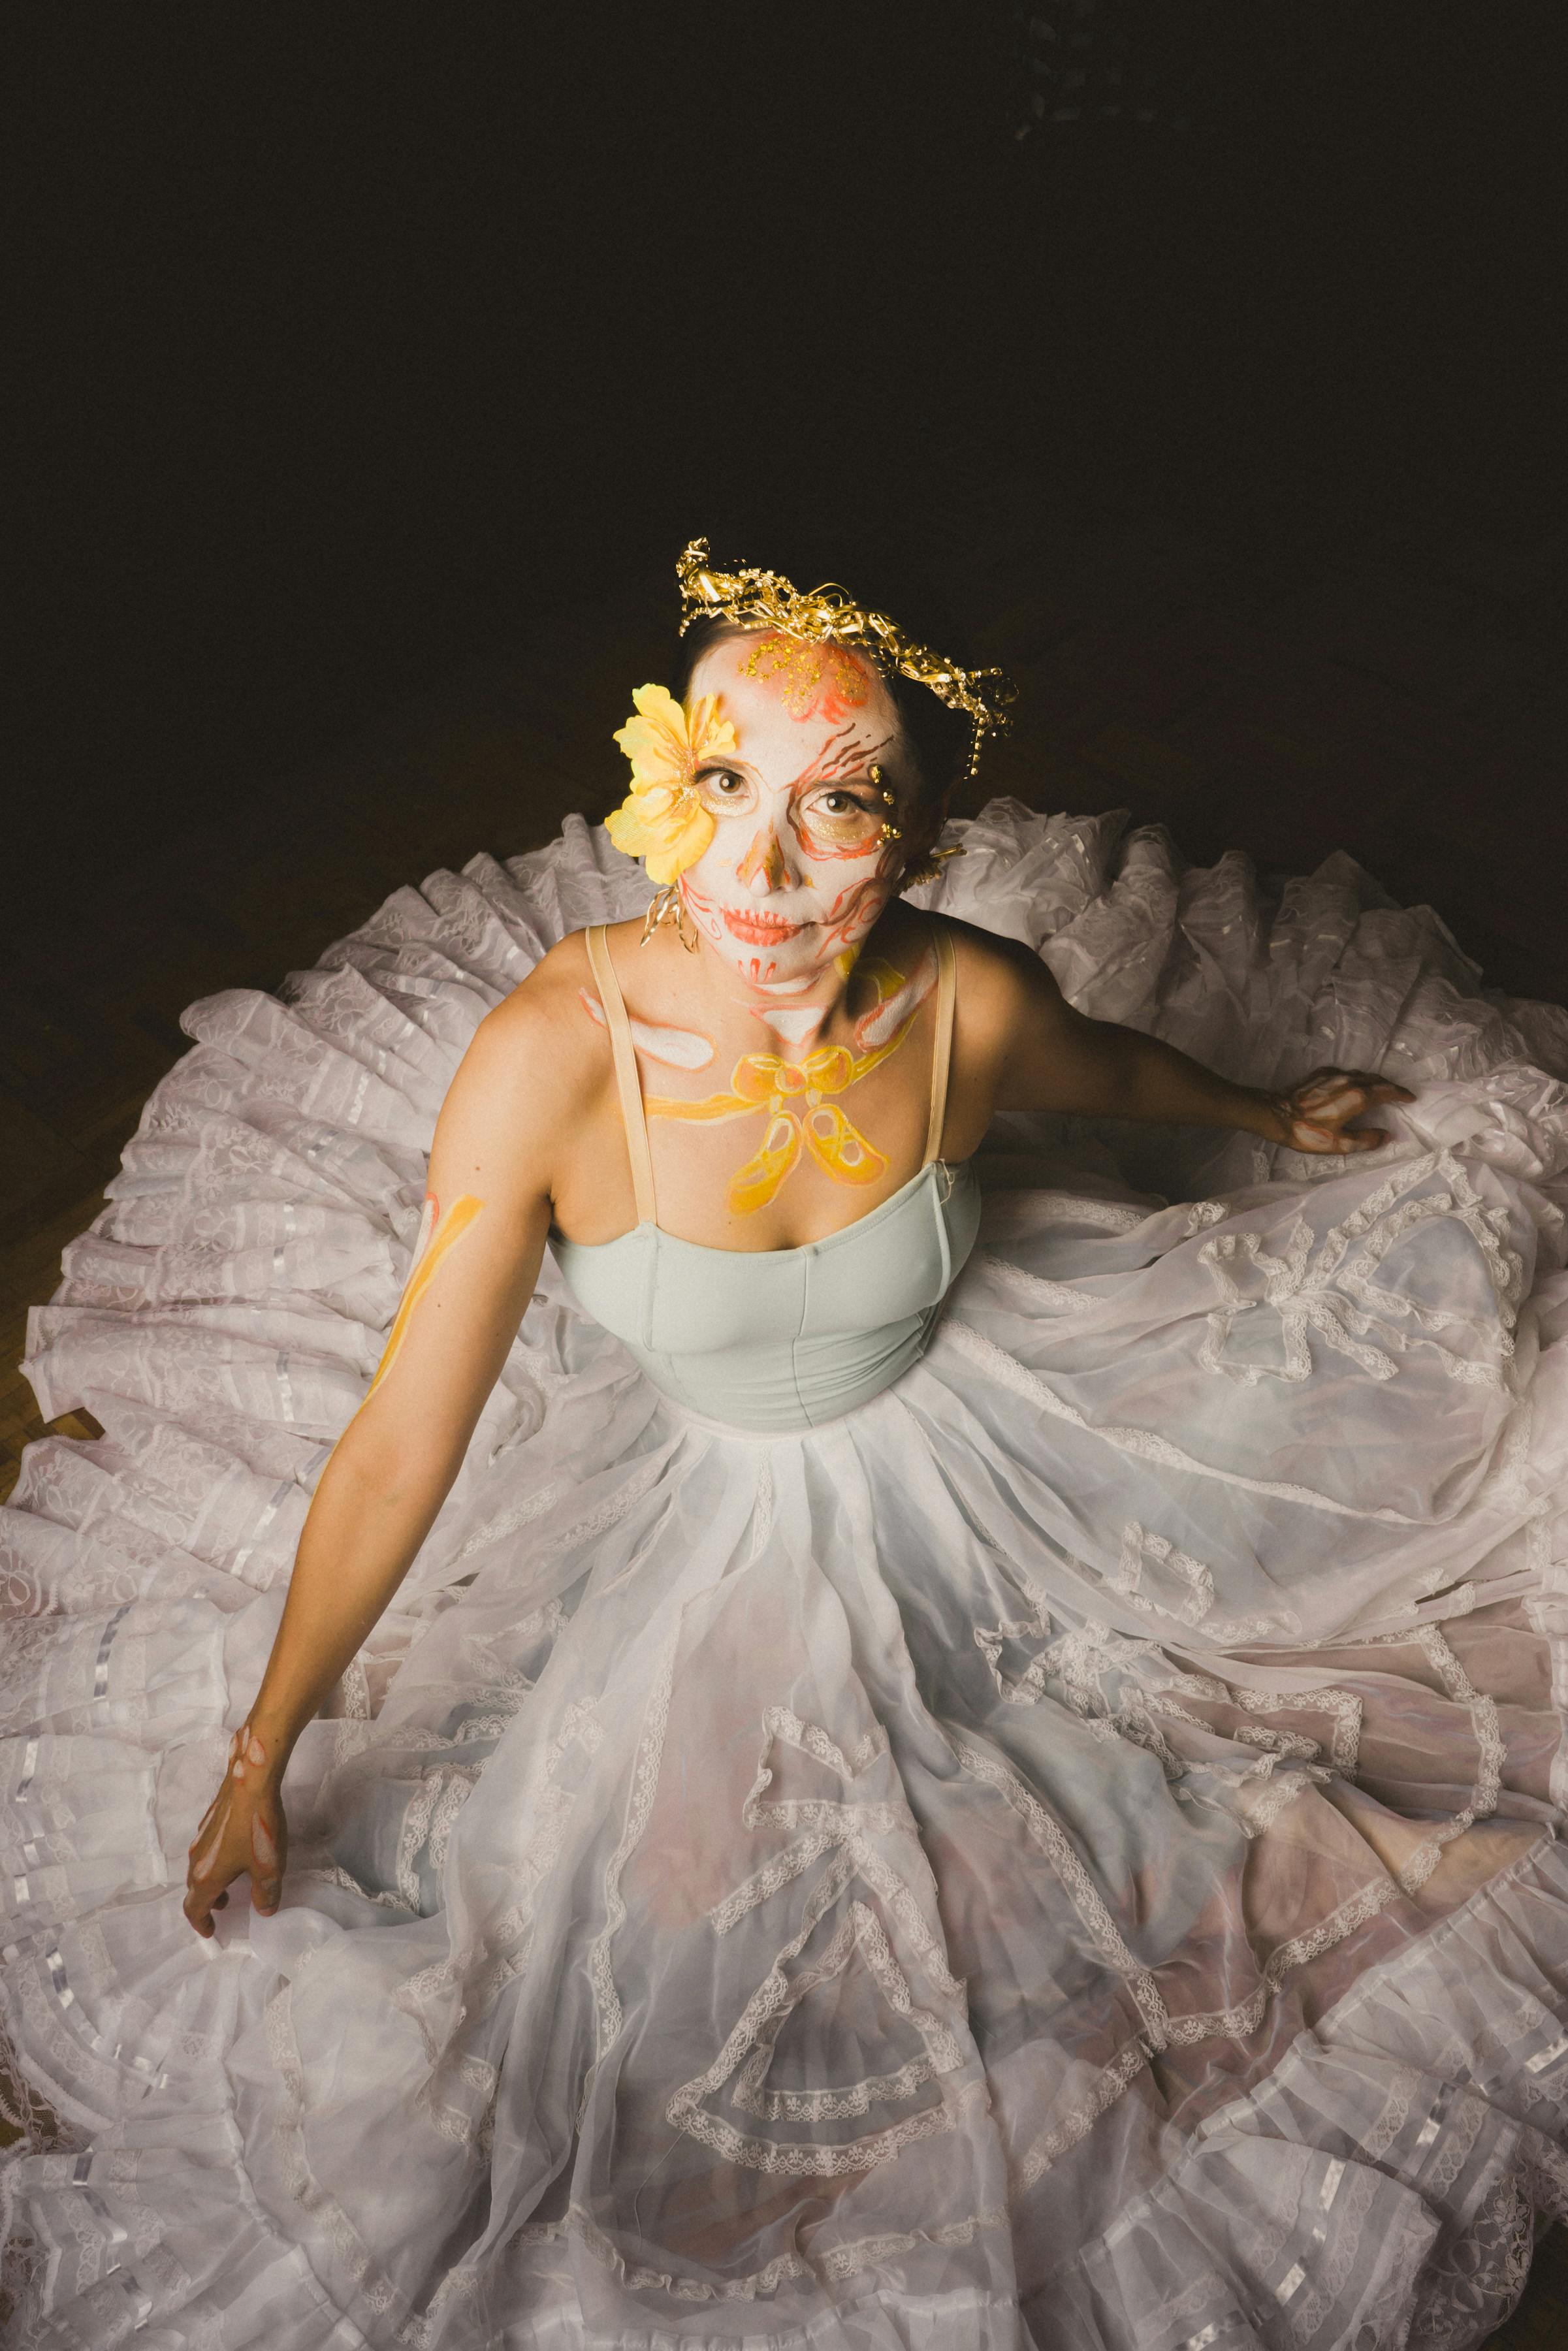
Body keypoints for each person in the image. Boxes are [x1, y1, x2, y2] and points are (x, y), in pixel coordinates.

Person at [5, 541, 1568, 2349]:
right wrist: (264, 1746)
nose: (754, 868)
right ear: (656, 776)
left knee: (1276, 1685)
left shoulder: (966, 998)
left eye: (839, 804)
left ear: (918, 836)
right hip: (722, 1512)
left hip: (999, 1423)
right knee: (681, 1965)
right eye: (720, 782)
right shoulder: (552, 1060)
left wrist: (1260, 1114)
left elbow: (1112, 1074)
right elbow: (396, 1444)